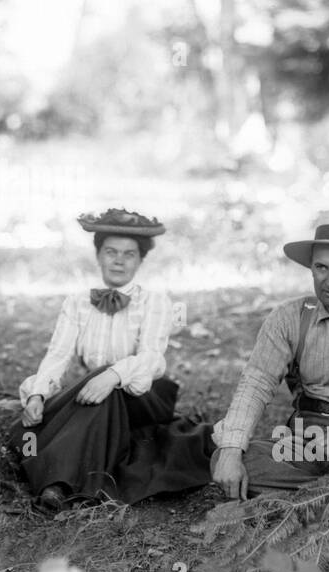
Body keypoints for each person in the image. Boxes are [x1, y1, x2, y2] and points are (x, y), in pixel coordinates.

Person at [17, 208, 213, 512]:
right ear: (98, 255)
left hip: (144, 396)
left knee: (107, 381)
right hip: (99, 399)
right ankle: (66, 485)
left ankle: (57, 480)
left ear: (140, 260)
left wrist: (113, 376)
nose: (119, 260)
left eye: (129, 254)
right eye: (111, 252)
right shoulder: (77, 302)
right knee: (91, 398)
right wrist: (38, 393)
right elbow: (58, 354)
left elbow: (152, 358)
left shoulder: (156, 302)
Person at [211, 210, 329, 500]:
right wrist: (231, 451)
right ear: (311, 268)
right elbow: (256, 383)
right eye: (321, 267)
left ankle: (314, 498)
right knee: (234, 461)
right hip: (305, 442)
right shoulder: (289, 318)